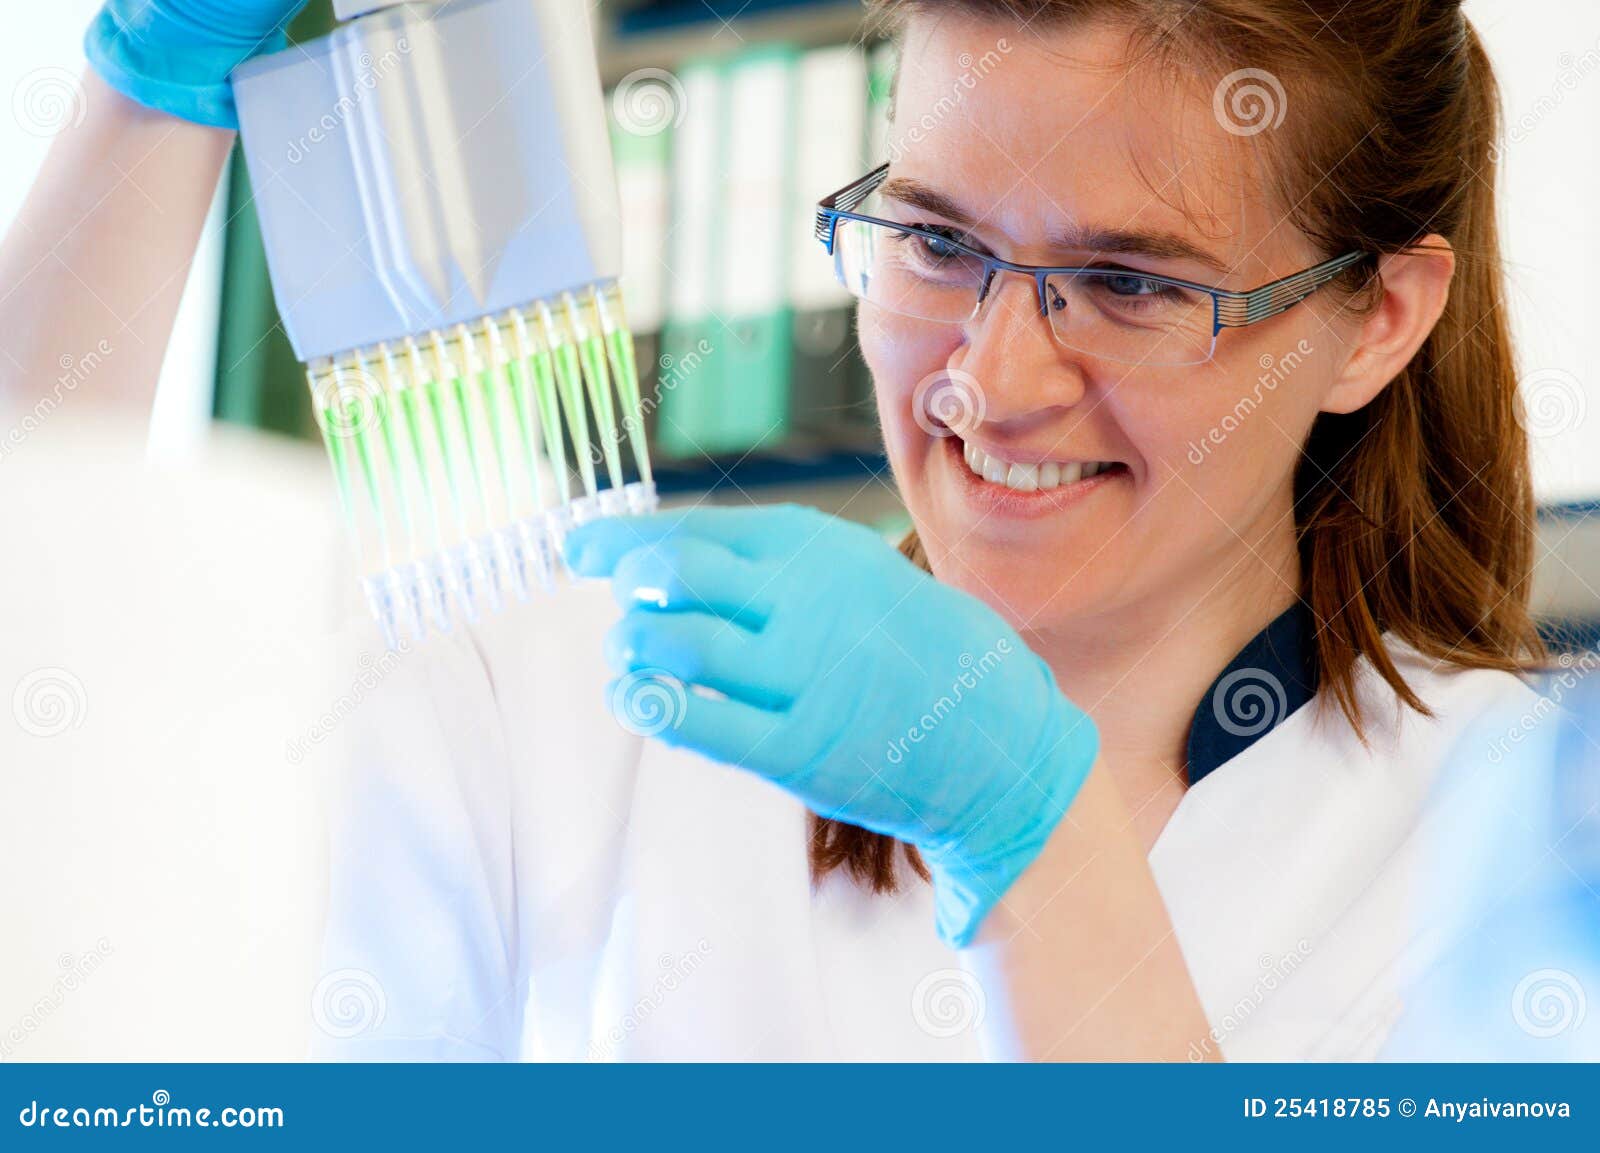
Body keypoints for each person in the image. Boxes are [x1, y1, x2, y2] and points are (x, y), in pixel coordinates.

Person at [4, 0, 1551, 1060]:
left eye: (1135, 286)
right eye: (937, 242)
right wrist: (146, 97)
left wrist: (1038, 839)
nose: (993, 382)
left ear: (1377, 320)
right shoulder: (593, 689)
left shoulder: (1507, 835)